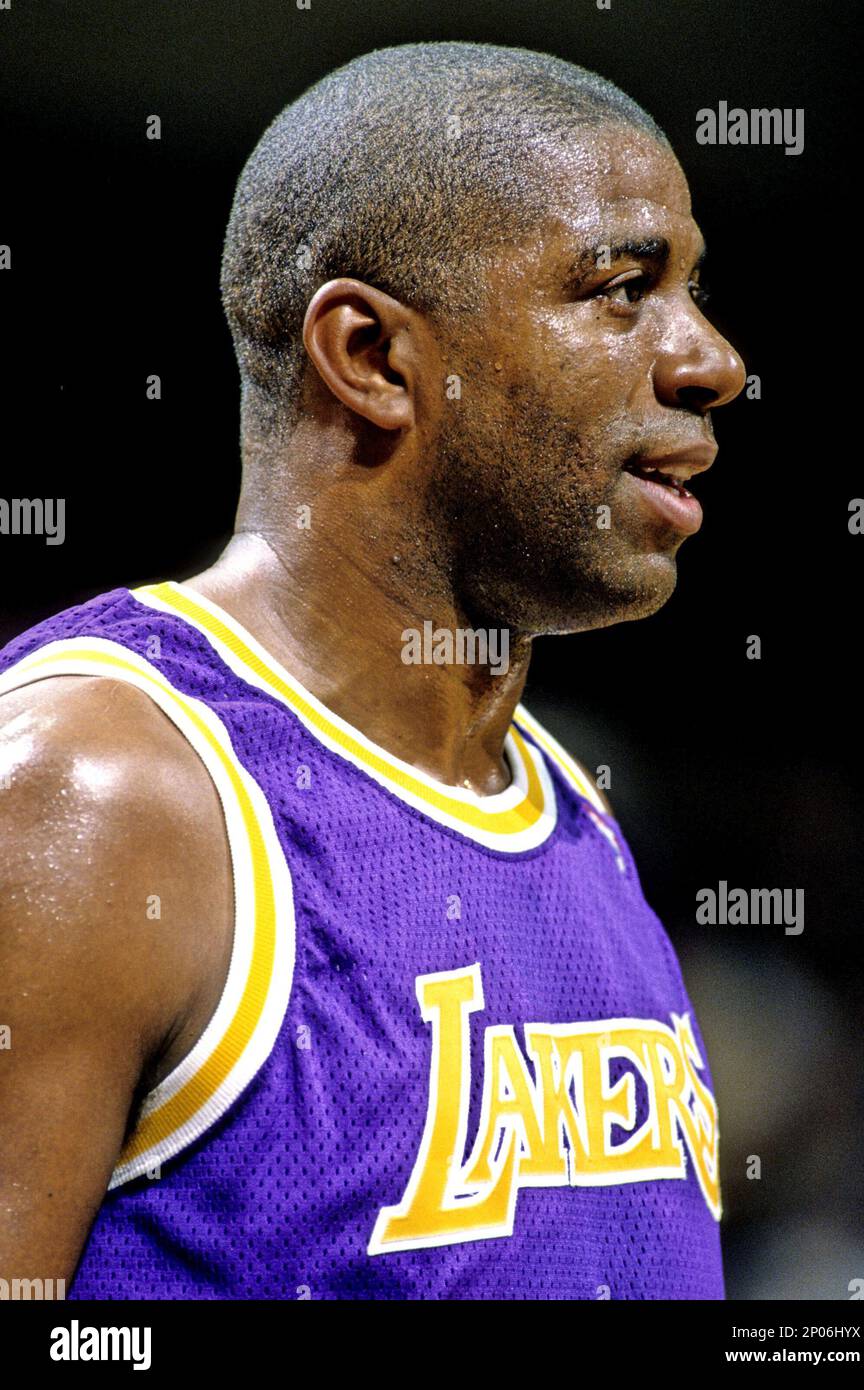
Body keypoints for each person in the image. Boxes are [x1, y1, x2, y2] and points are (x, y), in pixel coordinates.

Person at [0, 41, 745, 1299]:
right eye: (624, 288)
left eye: (693, 288)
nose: (710, 359)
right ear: (374, 358)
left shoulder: (572, 806)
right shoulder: (101, 796)